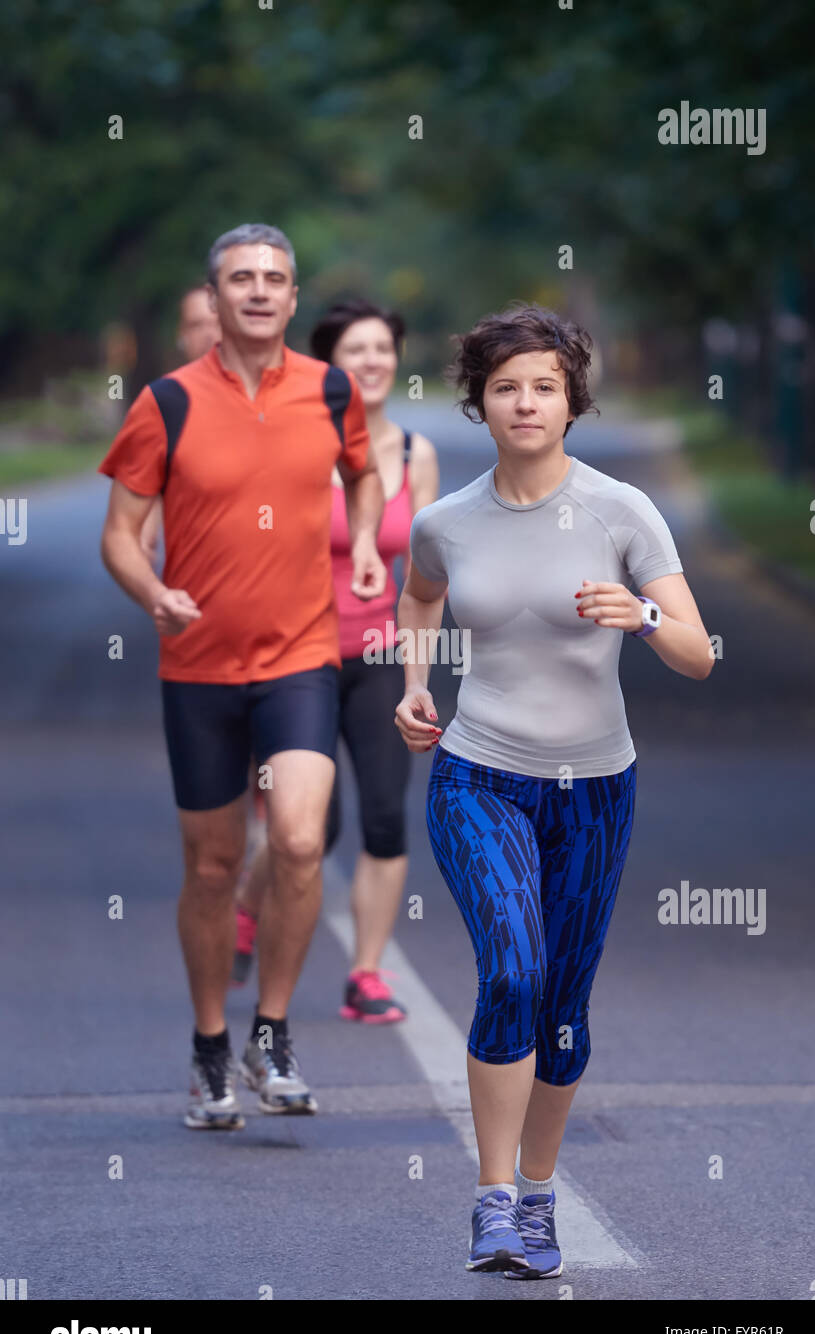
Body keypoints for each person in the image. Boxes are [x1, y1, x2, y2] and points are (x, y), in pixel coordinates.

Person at [395, 304, 714, 1277]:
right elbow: (418, 597)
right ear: (479, 403)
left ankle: (539, 1198)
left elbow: (700, 655)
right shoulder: (445, 522)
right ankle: (492, 1202)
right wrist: (416, 684)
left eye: (544, 385)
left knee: (565, 1005)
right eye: (506, 387)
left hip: (594, 792)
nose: (525, 402)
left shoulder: (622, 510)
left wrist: (644, 610)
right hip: (479, 775)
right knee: (514, 971)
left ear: (572, 400)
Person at [99, 223, 386, 1130]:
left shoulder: (330, 389)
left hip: (303, 654)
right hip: (198, 667)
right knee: (215, 864)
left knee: (300, 842)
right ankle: (210, 1045)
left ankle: (272, 1032)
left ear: (294, 298)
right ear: (214, 299)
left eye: (274, 278)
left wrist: (370, 541)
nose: (258, 291)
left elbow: (366, 474)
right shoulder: (167, 402)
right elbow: (120, 532)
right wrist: (153, 591)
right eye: (240, 278)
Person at [233, 299, 439, 1023]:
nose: (373, 362)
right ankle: (249, 910)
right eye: (357, 350)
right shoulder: (295, 444)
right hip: (300, 658)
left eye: (384, 348)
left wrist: (420, 675)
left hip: (381, 655)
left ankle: (366, 974)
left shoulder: (416, 454)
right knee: (310, 831)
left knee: (385, 817)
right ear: (328, 365)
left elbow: (428, 574)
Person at [139, 285, 221, 568]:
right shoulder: (162, 406)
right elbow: (143, 500)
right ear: (181, 335)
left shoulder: (270, 398)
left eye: (218, 322)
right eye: (197, 325)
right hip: (195, 586)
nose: (210, 334)